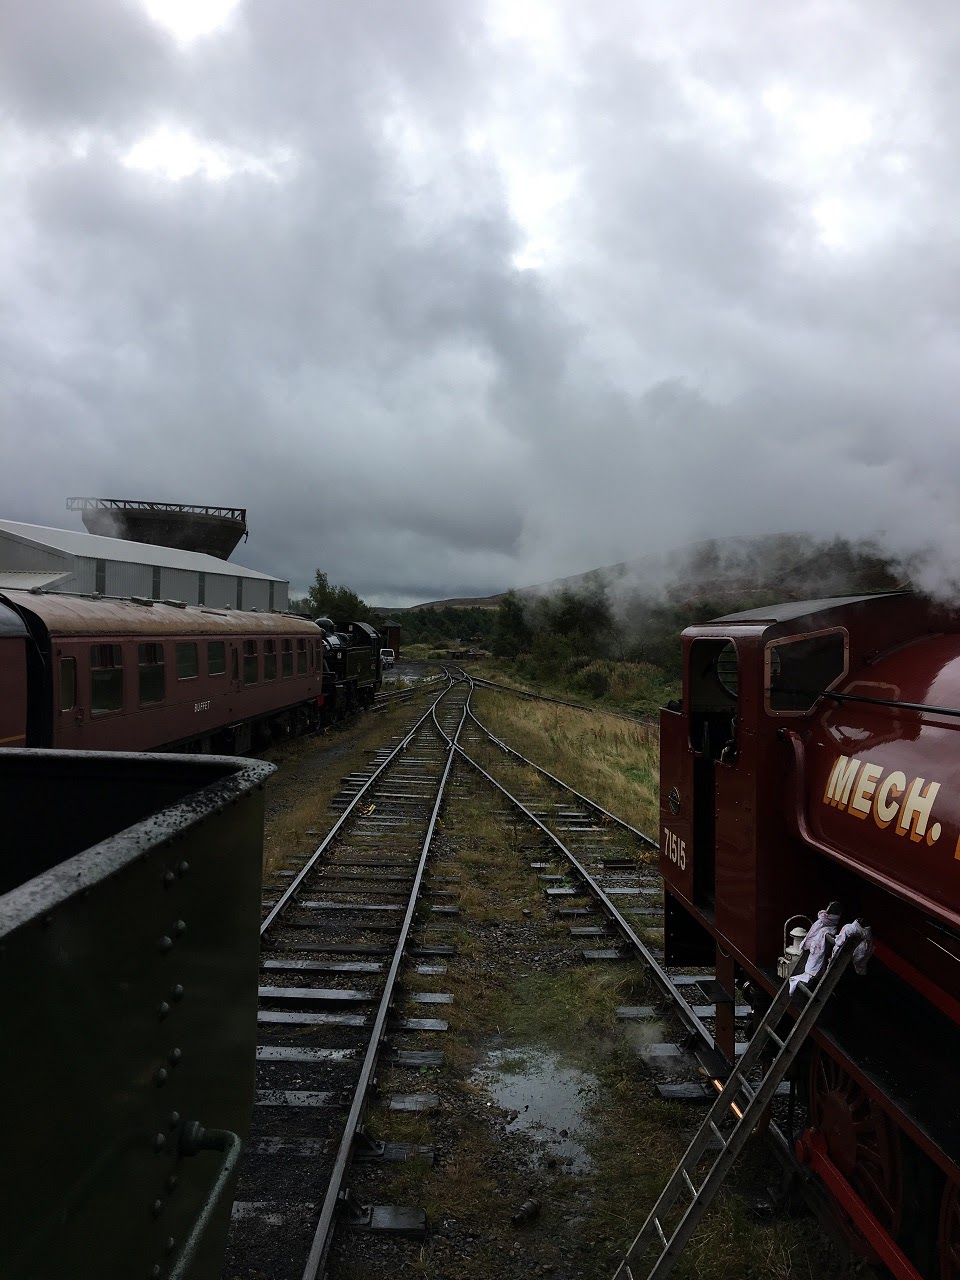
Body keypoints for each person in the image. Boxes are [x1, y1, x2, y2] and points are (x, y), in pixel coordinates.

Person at [788, 901, 841, 995]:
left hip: (820, 952)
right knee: (817, 962)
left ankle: (812, 978)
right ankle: (811, 978)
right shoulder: (824, 922)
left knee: (818, 962)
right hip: (816, 951)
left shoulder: (825, 925)